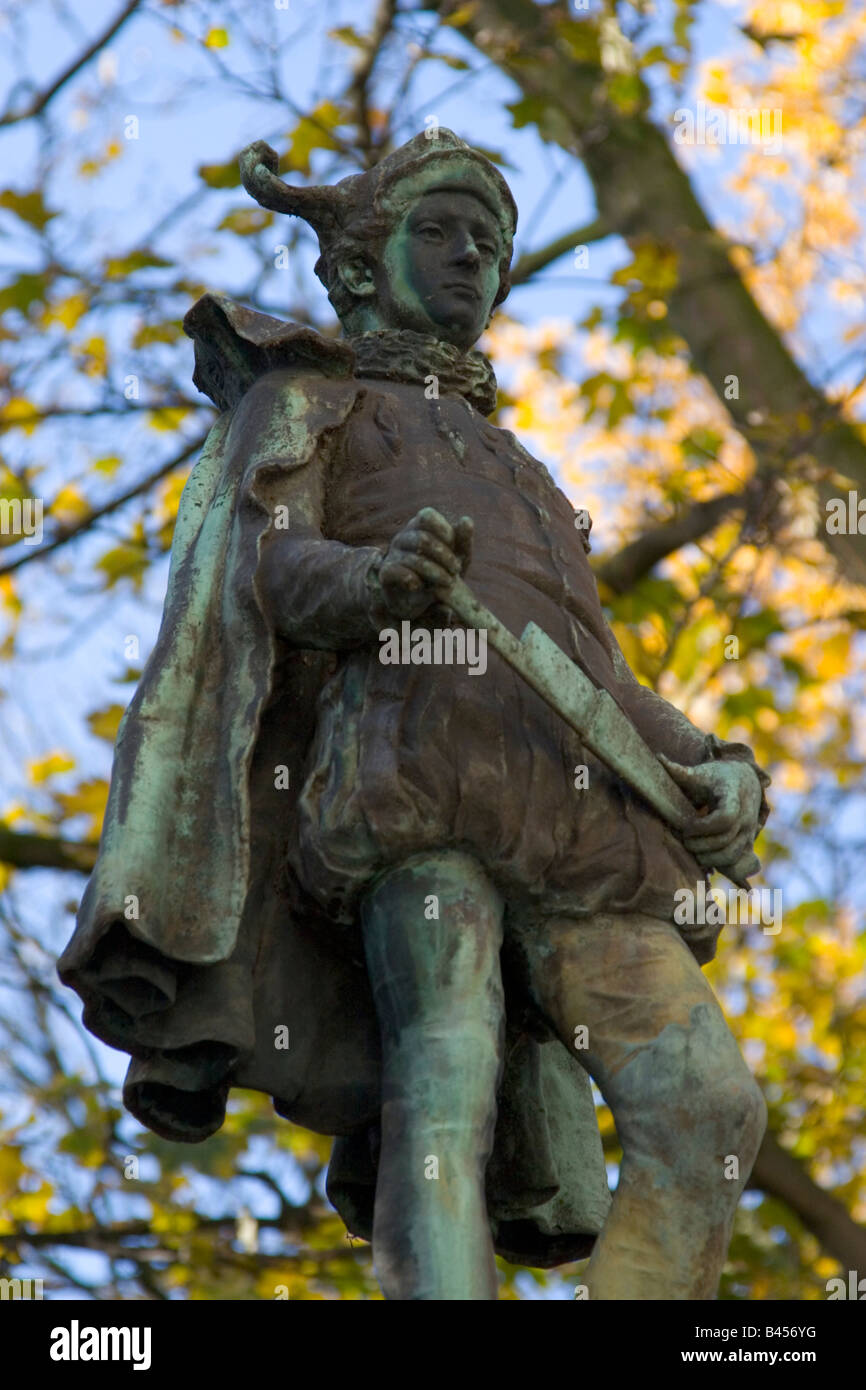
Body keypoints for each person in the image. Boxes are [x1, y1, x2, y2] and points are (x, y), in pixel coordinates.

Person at [60, 129, 769, 1300]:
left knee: (708, 1108)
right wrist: (377, 577)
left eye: (486, 244)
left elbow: (586, 666)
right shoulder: (316, 402)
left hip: (583, 816)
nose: (465, 259)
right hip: (412, 780)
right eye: (434, 232)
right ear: (355, 267)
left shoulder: (526, 471)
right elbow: (271, 570)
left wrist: (709, 760)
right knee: (444, 1073)